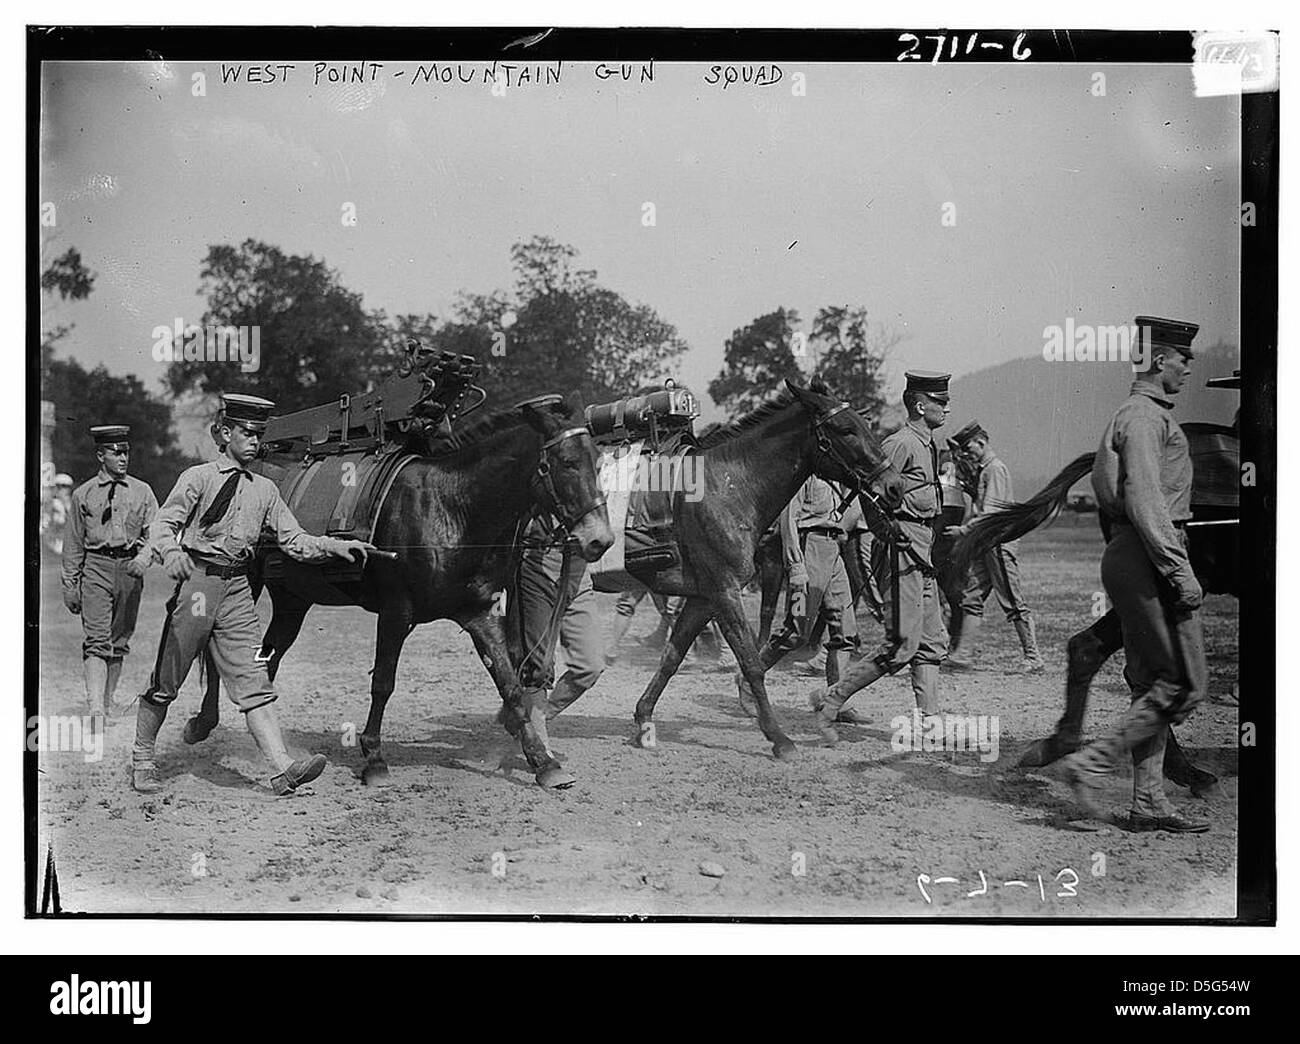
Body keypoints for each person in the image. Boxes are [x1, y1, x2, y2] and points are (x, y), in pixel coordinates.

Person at [130, 394, 375, 796]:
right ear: (225, 434)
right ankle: (142, 759)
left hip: (238, 590)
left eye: (259, 434)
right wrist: (171, 552)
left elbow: (293, 541)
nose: (254, 441)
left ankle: (282, 768)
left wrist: (334, 546)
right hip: (198, 583)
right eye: (247, 432)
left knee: (253, 679)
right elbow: (163, 524)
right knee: (168, 678)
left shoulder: (266, 490)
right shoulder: (198, 477)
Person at [1062, 317, 1210, 833]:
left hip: (1135, 553)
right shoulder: (1146, 418)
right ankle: (1090, 762)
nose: (1188, 365)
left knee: (1155, 682)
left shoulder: (1139, 414)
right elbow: (1147, 501)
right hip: (1150, 553)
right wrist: (1178, 569)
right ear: (1156, 360)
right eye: (1181, 357)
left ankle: (1148, 801)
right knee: (1184, 684)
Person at [809, 371, 952, 743]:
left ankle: (929, 724)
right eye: (941, 402)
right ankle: (831, 701)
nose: (946, 408)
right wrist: (890, 535)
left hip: (924, 549)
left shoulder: (929, 444)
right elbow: (867, 494)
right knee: (900, 646)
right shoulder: (900, 444)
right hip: (903, 548)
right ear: (921, 405)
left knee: (932, 642)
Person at [60, 426, 158, 722]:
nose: (123, 458)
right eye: (116, 453)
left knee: (119, 640)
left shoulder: (143, 491)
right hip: (96, 567)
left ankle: (107, 699)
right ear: (100, 455)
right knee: (96, 639)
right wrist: (70, 584)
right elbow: (74, 542)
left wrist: (143, 557)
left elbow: (157, 533)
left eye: (125, 452)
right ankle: (96, 708)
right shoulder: (83, 494)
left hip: (130, 570)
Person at [943, 421, 1044, 672]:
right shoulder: (985, 470)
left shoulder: (995, 470)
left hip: (997, 542)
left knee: (1012, 600)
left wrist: (963, 531)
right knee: (972, 597)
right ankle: (963, 655)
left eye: (970, 448)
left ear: (982, 442)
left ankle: (1033, 658)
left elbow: (991, 512)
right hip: (985, 543)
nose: (968, 453)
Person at [507, 513, 606, 721]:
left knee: (590, 666)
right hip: (538, 567)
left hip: (578, 574)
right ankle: (538, 744)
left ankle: (534, 717)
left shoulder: (591, 483)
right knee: (537, 669)